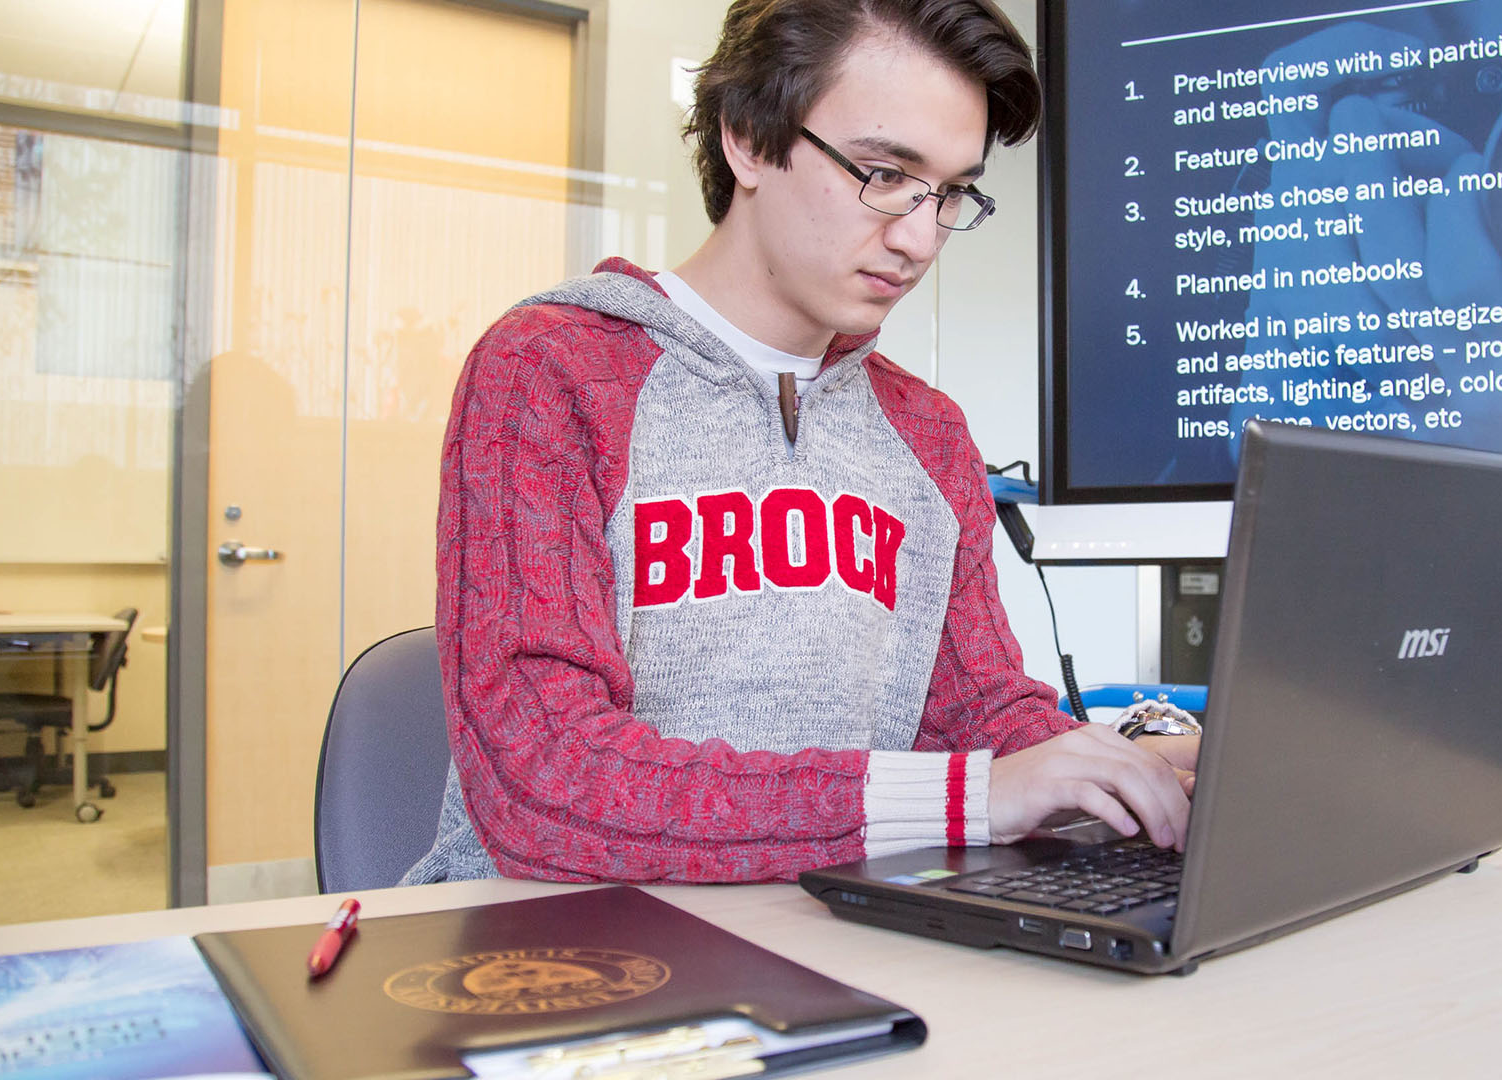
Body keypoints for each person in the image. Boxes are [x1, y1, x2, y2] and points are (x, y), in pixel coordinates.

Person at [404, 0, 1196, 885]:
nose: (920, 236)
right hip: (560, 950)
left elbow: (979, 710)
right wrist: (966, 798)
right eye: (883, 173)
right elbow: (540, 778)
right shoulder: (550, 371)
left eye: (952, 193)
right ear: (748, 135)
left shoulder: (925, 432)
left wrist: (1121, 773)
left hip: (824, 929)